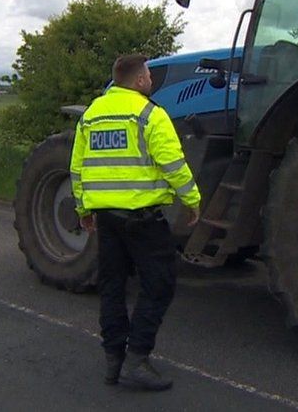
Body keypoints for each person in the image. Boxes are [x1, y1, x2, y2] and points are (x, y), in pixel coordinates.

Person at [70, 54, 201, 391]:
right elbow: (172, 163)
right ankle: (137, 360)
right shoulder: (150, 114)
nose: (150, 80)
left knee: (112, 288)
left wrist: (84, 208)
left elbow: (78, 167)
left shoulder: (90, 116)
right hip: (143, 220)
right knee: (159, 285)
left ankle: (113, 361)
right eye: (147, 75)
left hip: (107, 220)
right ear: (140, 79)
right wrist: (192, 200)